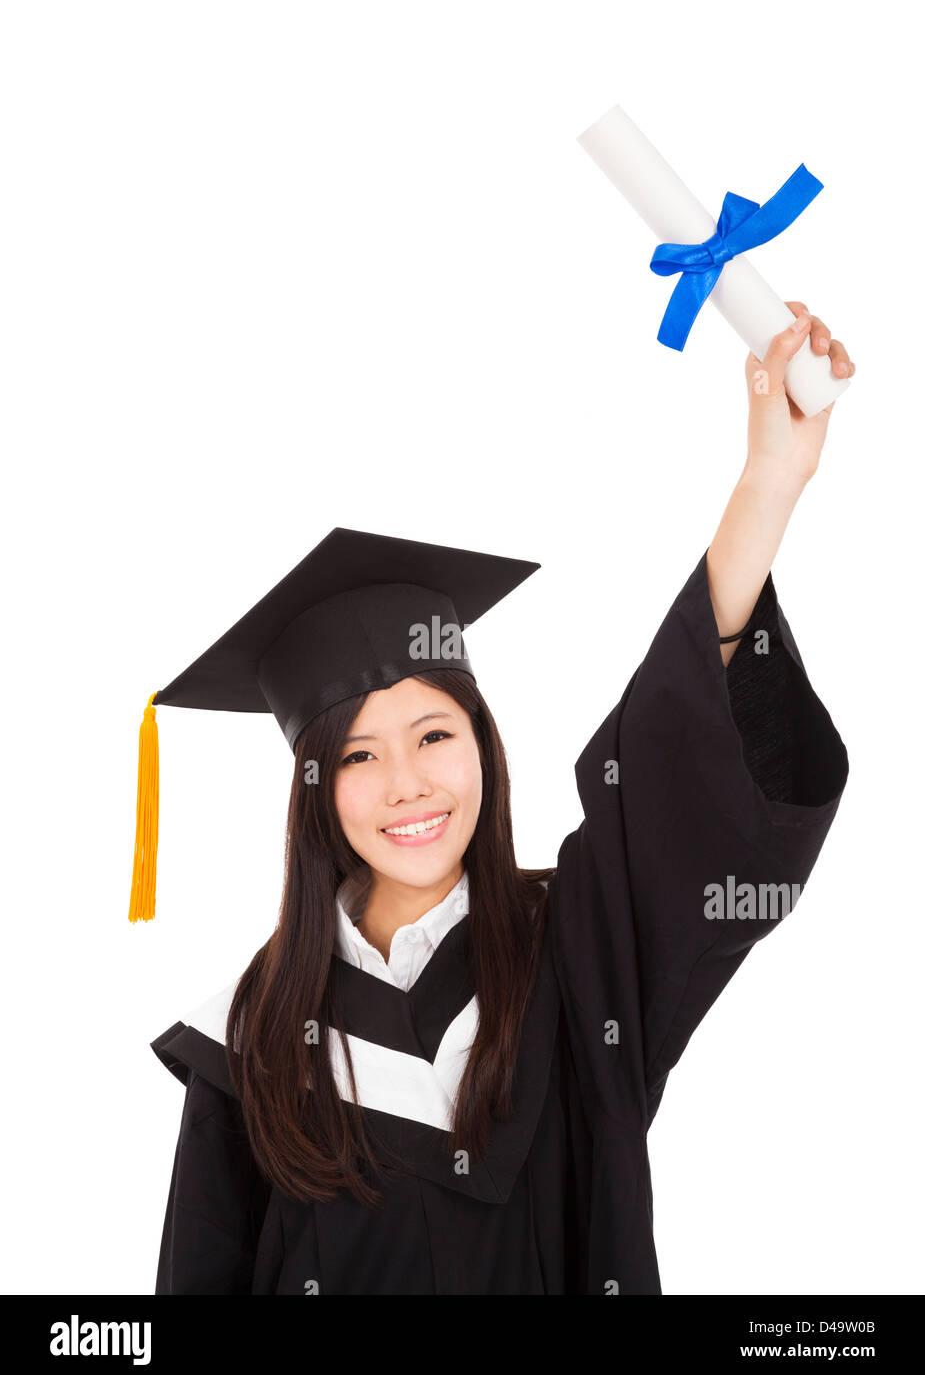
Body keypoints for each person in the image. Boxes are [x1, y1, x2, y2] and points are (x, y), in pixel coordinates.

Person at [146, 304, 852, 1294]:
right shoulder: (254, 1038)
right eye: (357, 756)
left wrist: (768, 482)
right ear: (314, 789)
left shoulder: (578, 950)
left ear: (482, 743)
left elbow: (666, 773)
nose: (408, 784)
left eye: (435, 735)